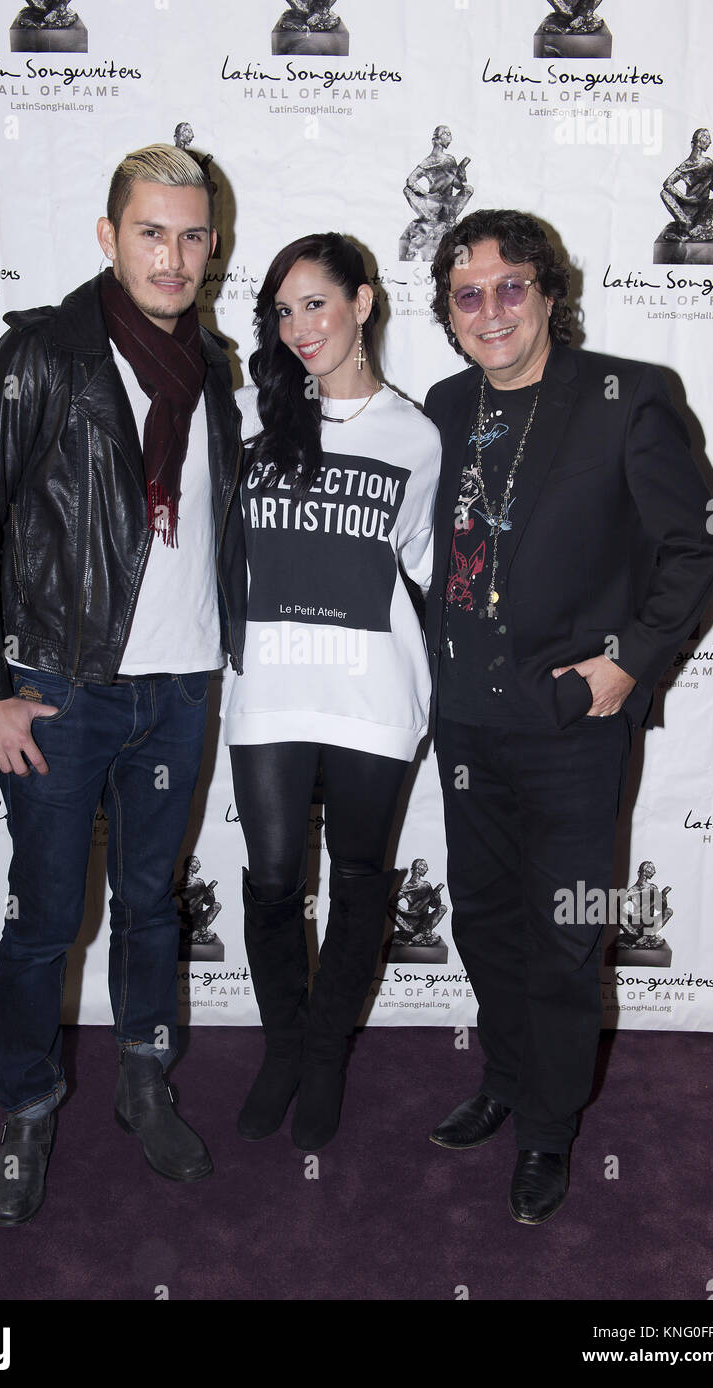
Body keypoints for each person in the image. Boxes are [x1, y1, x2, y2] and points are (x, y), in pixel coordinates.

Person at [0, 143, 246, 1224]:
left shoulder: (214, 365)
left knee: (152, 908)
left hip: (177, 689)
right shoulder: (43, 356)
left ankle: (144, 1079)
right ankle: (26, 1109)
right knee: (40, 918)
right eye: (150, 232)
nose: (172, 256)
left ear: (214, 245)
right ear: (108, 237)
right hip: (62, 690)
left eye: (191, 235)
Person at [423, 208, 713, 1223]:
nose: (491, 309)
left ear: (550, 292)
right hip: (464, 720)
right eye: (468, 293)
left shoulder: (626, 396)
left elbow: (699, 544)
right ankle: (506, 1077)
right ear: (447, 313)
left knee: (559, 936)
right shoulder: (442, 403)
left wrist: (624, 666)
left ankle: (549, 1130)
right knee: (482, 920)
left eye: (512, 286)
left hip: (570, 722)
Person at [223, 232, 441, 1150]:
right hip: (270, 688)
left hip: (374, 695)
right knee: (273, 886)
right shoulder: (246, 417)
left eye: (315, 302)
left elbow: (429, 575)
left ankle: (325, 1056)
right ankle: (283, 1047)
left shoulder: (418, 436)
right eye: (282, 310)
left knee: (357, 882)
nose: (298, 326)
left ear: (363, 301)